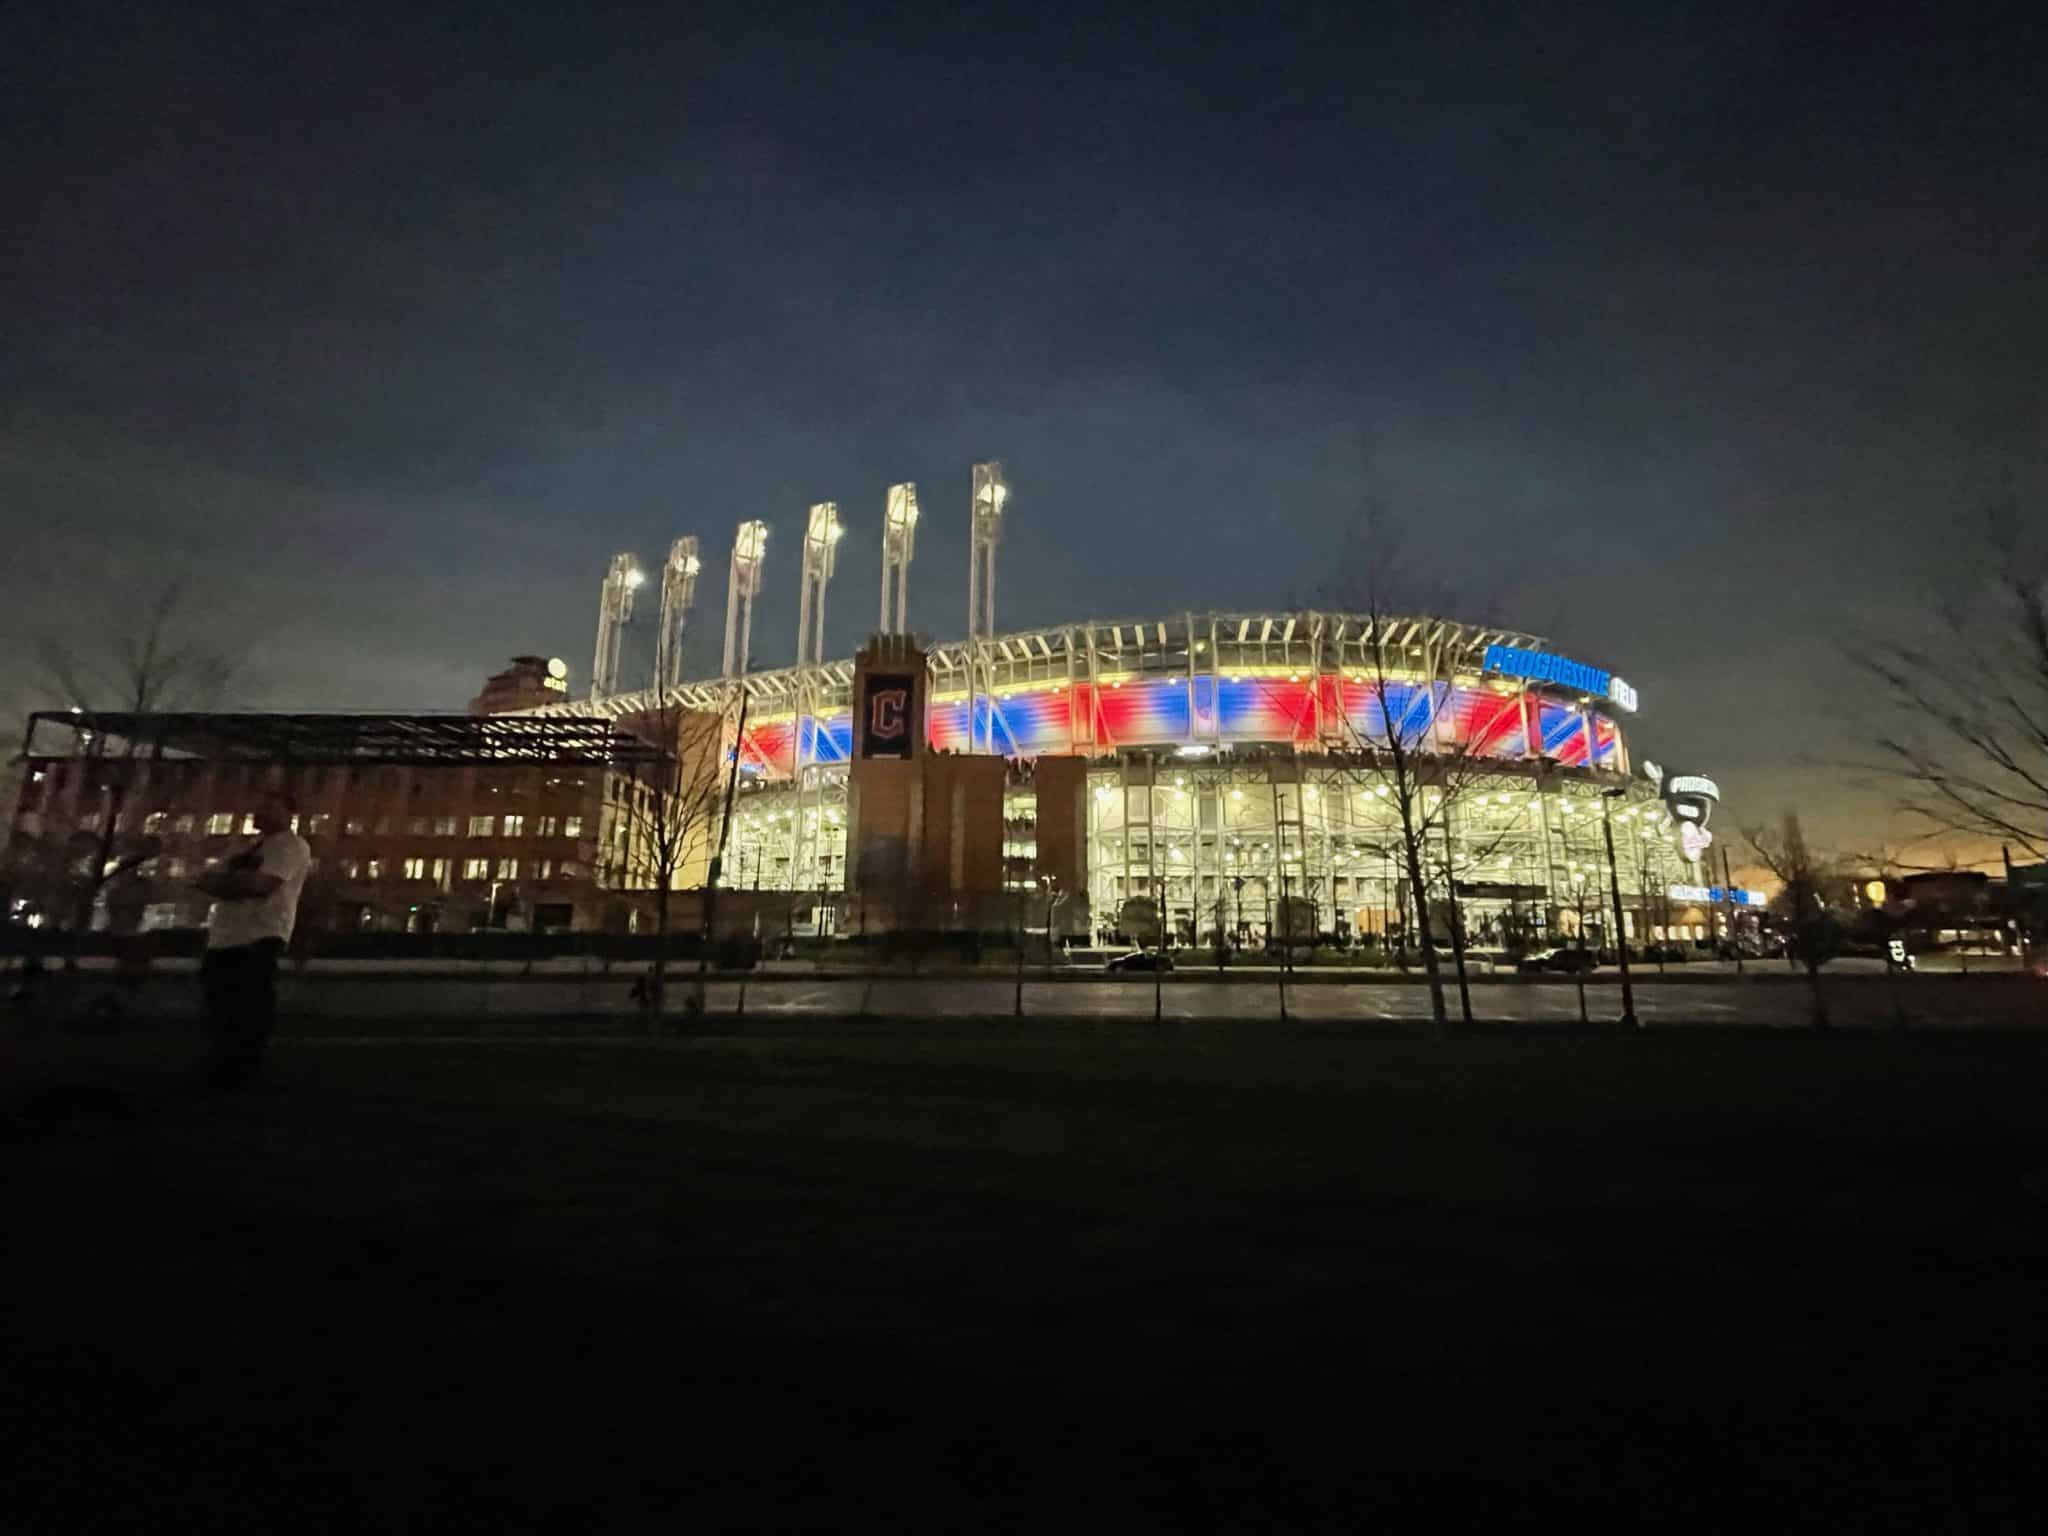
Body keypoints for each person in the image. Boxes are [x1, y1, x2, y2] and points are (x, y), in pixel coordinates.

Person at [192, 793, 311, 1090]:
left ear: (289, 814)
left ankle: (239, 1067)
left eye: (270, 807)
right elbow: (203, 880)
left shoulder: (289, 846)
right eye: (260, 806)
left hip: (257, 936)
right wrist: (232, 885)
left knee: (245, 1006)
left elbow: (261, 886)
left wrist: (225, 886)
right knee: (223, 1005)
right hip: (226, 938)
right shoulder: (248, 847)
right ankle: (227, 1063)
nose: (260, 812)